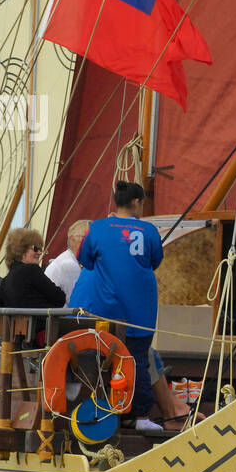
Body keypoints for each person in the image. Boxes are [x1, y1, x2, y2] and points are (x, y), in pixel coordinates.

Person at [71, 181, 164, 434]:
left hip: (104, 310)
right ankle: (140, 415)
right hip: (140, 311)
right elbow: (155, 261)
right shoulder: (149, 230)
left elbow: (85, 260)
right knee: (137, 360)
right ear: (136, 203)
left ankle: (101, 411)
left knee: (100, 360)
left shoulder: (97, 228)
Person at [0, 229, 67, 315]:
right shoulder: (32, 270)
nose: (40, 252)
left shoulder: (7, 279)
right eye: (36, 248)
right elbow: (60, 298)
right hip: (40, 326)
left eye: (41, 249)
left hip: (16, 327)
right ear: (21, 250)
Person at [45, 220, 90, 305]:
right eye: (86, 238)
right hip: (62, 316)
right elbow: (75, 301)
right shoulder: (69, 265)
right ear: (72, 239)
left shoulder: (65, 260)